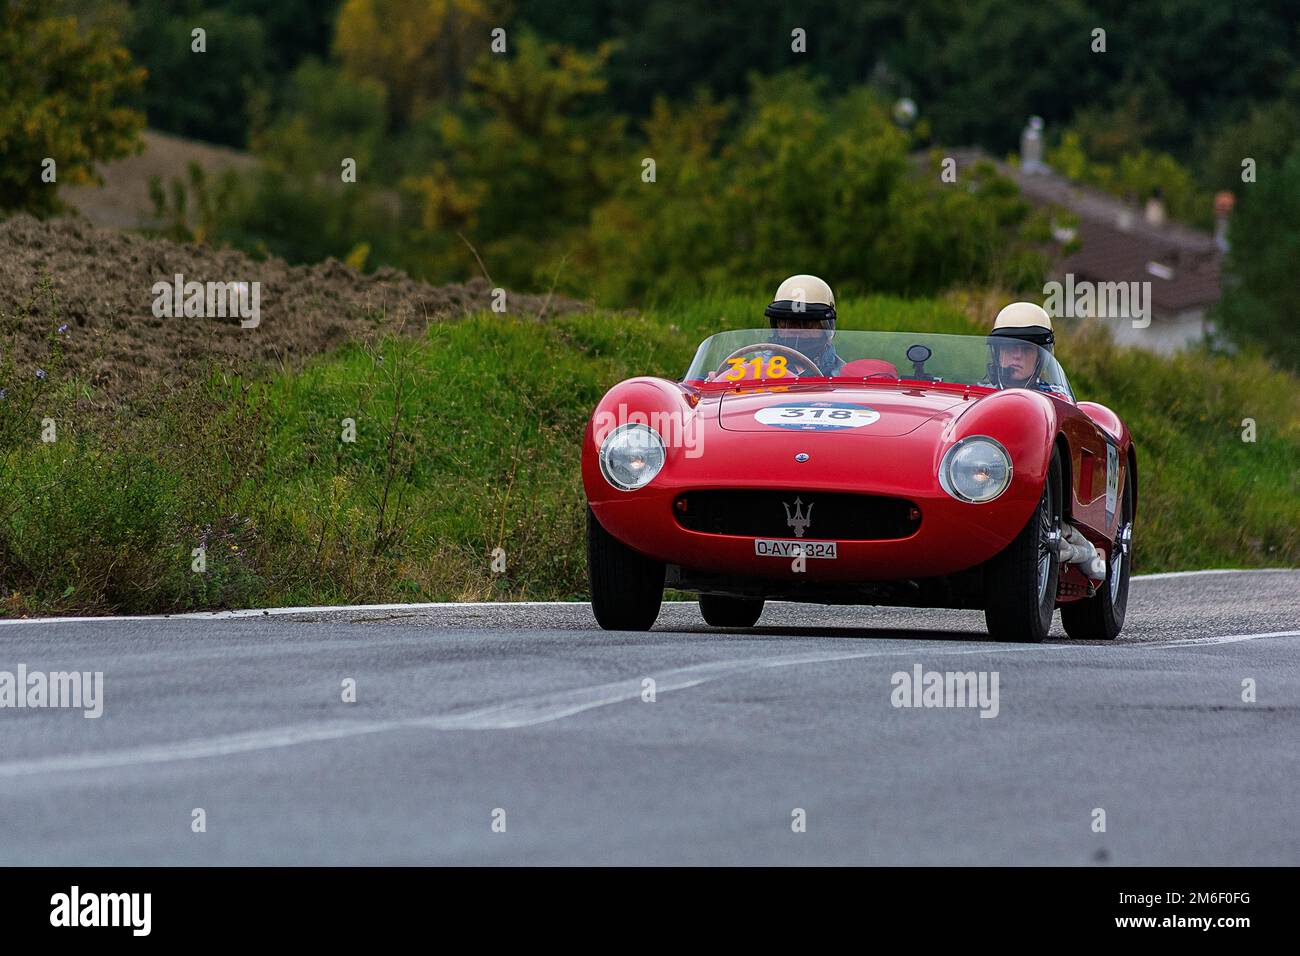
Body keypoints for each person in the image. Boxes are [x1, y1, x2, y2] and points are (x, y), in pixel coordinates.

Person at [762, 274, 845, 376]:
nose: (796, 331)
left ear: (826, 328)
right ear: (776, 327)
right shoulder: (752, 369)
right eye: (786, 323)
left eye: (807, 323)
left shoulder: (844, 376)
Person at [985, 302, 1071, 398]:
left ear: (1041, 357)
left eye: (1026, 349)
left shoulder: (1056, 400)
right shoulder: (978, 394)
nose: (1017, 355)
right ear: (997, 353)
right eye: (1009, 347)